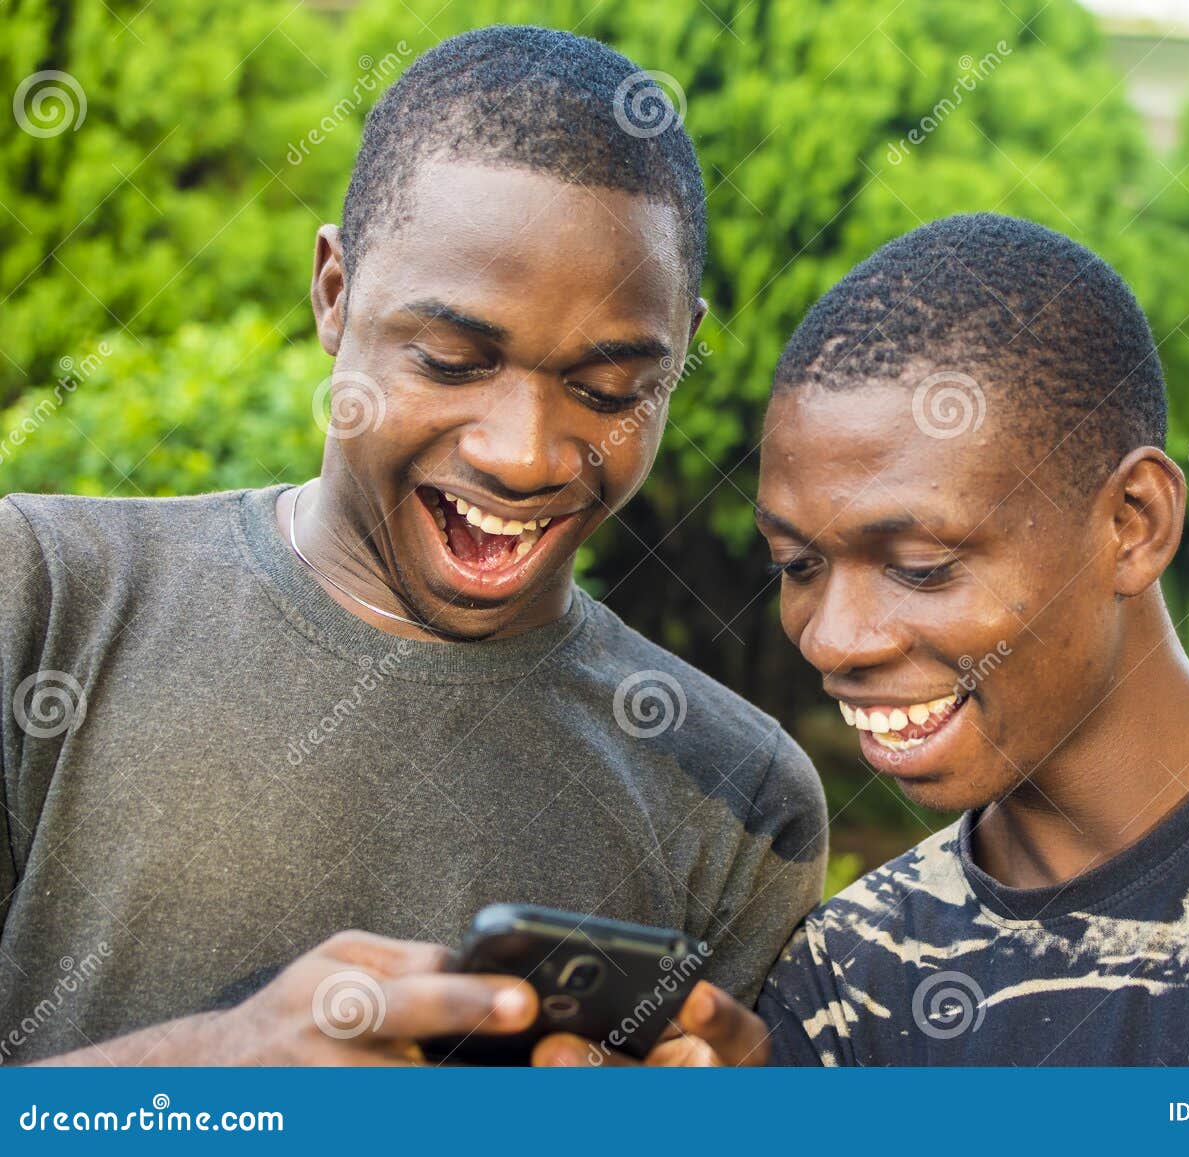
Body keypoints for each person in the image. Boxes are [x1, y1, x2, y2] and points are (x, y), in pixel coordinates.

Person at [531, 214, 1189, 1067]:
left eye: (920, 562)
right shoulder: (852, 985)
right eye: (797, 564)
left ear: (1131, 521)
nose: (835, 636)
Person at [0, 26, 825, 1066]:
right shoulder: (41, 595)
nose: (524, 455)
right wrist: (222, 1065)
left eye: (609, 390)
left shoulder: (738, 797)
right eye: (449, 360)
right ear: (334, 293)